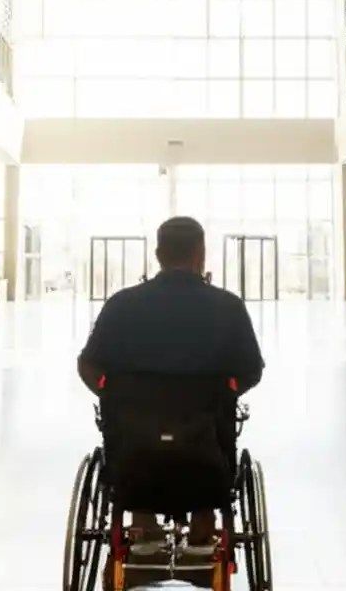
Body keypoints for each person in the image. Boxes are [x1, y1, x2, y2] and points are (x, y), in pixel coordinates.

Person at [77, 216, 264, 552]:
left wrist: (112, 392)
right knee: (216, 422)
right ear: (200, 254)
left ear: (158, 254)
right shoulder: (228, 307)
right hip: (206, 454)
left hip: (134, 452)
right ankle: (203, 524)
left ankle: (143, 523)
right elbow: (251, 370)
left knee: (134, 430)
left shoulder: (122, 305)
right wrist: (227, 388)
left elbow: (88, 365)